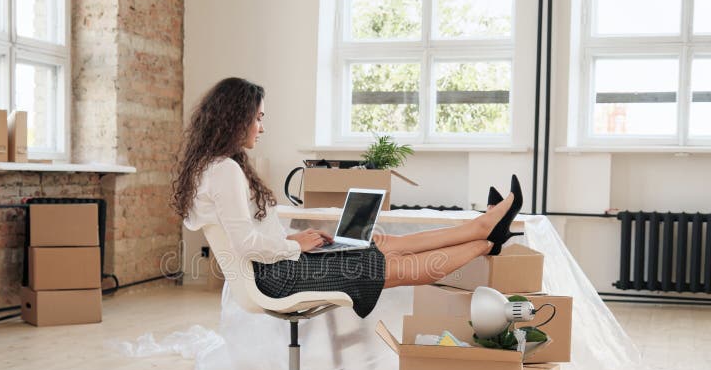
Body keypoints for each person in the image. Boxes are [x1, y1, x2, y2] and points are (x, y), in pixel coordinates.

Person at [172, 77, 522, 319]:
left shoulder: (214, 166)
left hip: (278, 266)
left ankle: (481, 226)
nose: (261, 127)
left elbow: (250, 236)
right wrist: (295, 246)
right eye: (258, 118)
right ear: (236, 118)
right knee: (399, 267)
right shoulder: (224, 171)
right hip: (276, 278)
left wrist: (297, 239)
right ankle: (487, 240)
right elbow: (246, 245)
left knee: (381, 243)